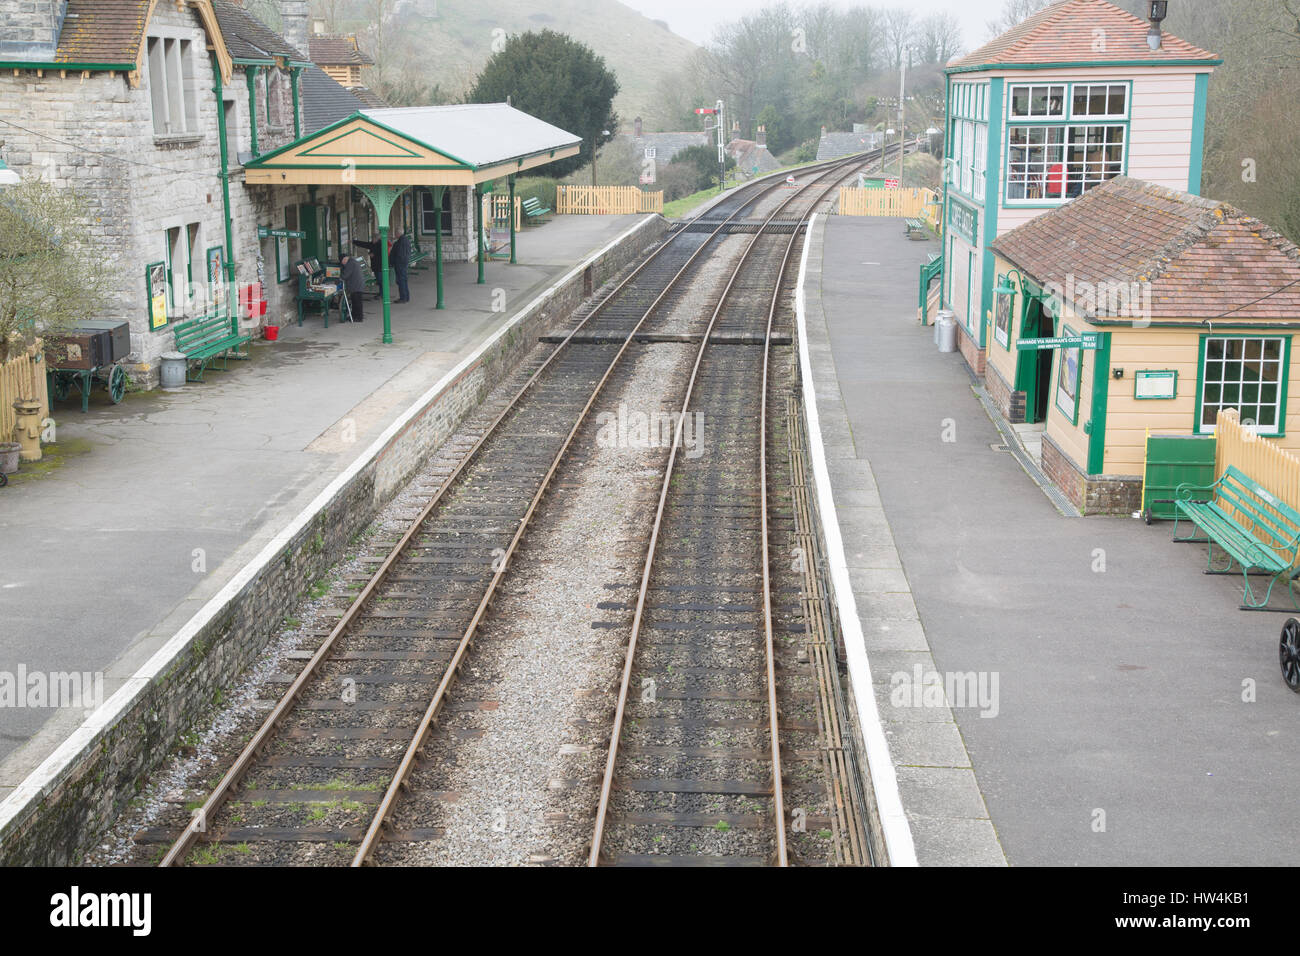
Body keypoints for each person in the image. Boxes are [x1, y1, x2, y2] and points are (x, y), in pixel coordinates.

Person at [340, 252, 364, 323]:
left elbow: (346, 275)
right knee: (355, 301)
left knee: (357, 302)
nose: (342, 264)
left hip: (356, 285)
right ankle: (354, 316)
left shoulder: (350, 263)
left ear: (344, 260)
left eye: (342, 262)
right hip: (357, 284)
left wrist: (340, 276)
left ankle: (358, 318)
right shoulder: (352, 261)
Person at [390, 229, 411, 303]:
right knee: (404, 280)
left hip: (400, 264)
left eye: (395, 233)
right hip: (404, 263)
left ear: (398, 234)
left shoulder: (398, 243)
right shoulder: (406, 240)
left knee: (401, 281)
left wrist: (392, 263)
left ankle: (403, 298)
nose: (395, 235)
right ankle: (406, 297)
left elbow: (398, 254)